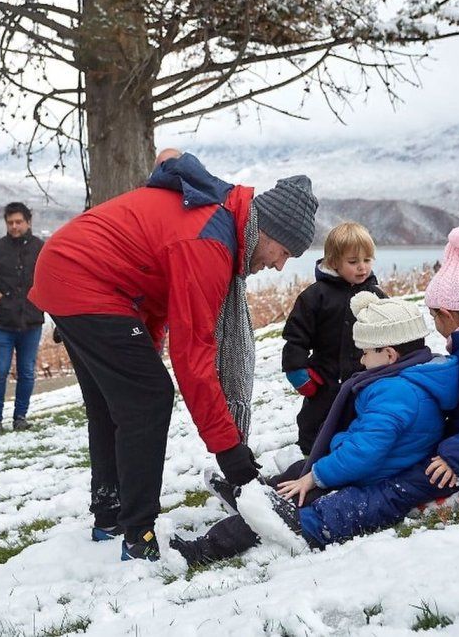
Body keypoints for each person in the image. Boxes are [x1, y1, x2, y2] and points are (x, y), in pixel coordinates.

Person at [28, 149, 319, 561]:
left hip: (69, 273)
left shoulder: (212, 220)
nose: (277, 266)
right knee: (148, 399)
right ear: (268, 232)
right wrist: (231, 454)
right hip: (85, 282)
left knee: (116, 405)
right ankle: (139, 536)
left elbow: (159, 303)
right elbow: (194, 359)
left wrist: (143, 349)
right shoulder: (208, 243)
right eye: (285, 253)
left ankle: (110, 518)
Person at [248, 228, 459, 550]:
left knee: (399, 487)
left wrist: (454, 459)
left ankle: (315, 526)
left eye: (434, 316)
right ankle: (280, 497)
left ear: (446, 314)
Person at [170, 292, 456, 563]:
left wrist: (317, 477)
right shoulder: (411, 381)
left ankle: (202, 550)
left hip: (369, 475)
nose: (362, 359)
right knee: (298, 470)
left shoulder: (397, 394)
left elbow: (363, 453)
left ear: (390, 354)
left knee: (286, 500)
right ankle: (253, 493)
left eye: (366, 352)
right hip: (372, 466)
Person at [281, 222, 385, 456]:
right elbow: (295, 337)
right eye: (353, 262)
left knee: (359, 419)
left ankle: (353, 457)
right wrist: (297, 371)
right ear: (334, 261)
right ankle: (308, 455)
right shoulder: (315, 296)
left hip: (364, 376)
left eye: (367, 260)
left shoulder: (376, 296)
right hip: (324, 378)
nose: (362, 267)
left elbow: (391, 333)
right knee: (315, 420)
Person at [0, 202, 45, 434]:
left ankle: (20, 417)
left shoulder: (41, 248)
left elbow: (53, 275)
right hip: (3, 323)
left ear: (28, 222)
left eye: (18, 222)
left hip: (32, 321)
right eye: (10, 222)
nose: (14, 226)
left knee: (26, 371)